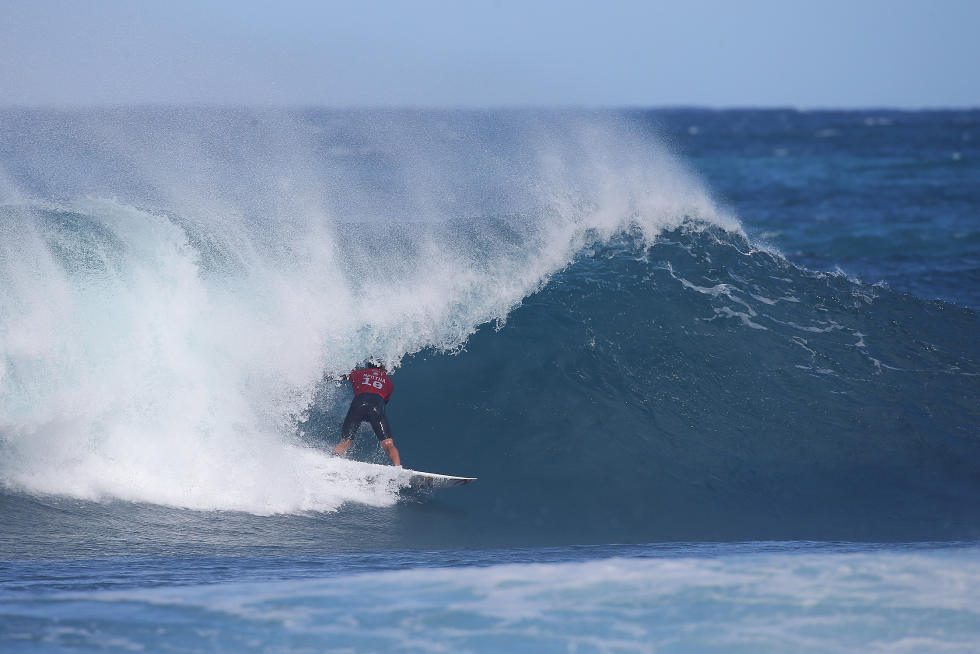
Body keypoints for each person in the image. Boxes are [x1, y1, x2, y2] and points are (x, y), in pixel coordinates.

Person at [334, 360, 401, 466]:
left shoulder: (359, 373)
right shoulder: (389, 383)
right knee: (388, 443)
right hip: (377, 406)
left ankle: (334, 457)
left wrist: (327, 377)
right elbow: (383, 404)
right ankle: (397, 467)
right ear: (382, 367)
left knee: (345, 441)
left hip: (358, 403)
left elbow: (343, 376)